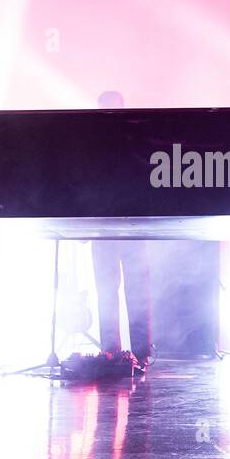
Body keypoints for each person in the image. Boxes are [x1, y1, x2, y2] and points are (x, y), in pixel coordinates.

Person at [91, 90, 153, 367]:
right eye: (104, 108)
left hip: (130, 222)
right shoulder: (91, 142)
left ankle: (141, 351)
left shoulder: (134, 139)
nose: (107, 113)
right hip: (105, 224)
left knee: (136, 289)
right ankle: (111, 351)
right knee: (107, 289)